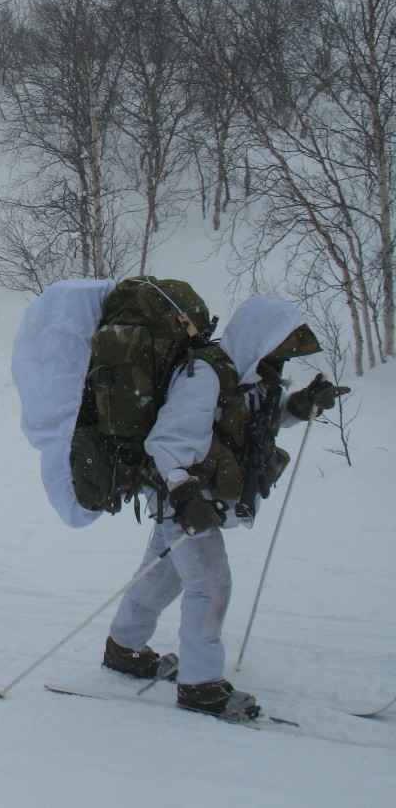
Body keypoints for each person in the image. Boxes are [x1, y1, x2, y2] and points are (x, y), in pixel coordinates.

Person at [102, 295, 349, 719]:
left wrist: (301, 404)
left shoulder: (250, 377)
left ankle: (124, 648)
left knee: (166, 573)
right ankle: (200, 685)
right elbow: (166, 442)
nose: (281, 359)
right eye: (279, 349)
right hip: (182, 496)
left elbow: (250, 425)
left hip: (192, 498)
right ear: (259, 340)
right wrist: (183, 495)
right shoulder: (203, 376)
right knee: (210, 584)